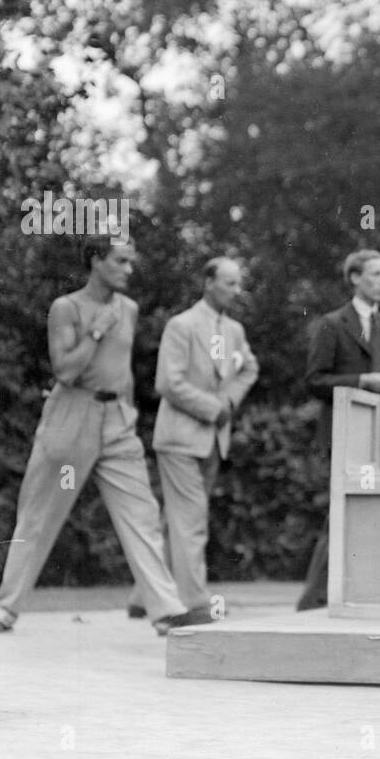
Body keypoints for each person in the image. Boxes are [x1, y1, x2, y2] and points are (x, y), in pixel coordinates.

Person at [0, 238, 207, 635]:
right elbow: (65, 371)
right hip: (72, 416)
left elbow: (124, 370)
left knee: (143, 515)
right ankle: (4, 611)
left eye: (131, 262)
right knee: (38, 516)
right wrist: (96, 332)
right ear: (96, 261)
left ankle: (166, 611)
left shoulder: (130, 309)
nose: (129, 269)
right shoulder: (67, 308)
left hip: (118, 420)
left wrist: (129, 410)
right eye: (120, 261)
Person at [126, 257, 259, 619]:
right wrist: (212, 408)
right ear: (208, 283)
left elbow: (249, 367)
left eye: (237, 284)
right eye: (229, 283)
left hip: (214, 439)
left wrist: (229, 401)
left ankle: (142, 597)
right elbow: (168, 382)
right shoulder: (181, 325)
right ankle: (194, 604)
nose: (236, 291)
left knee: (178, 520)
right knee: (190, 520)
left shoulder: (234, 331)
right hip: (180, 439)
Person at [296, 249, 380, 610]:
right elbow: (314, 380)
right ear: (355, 278)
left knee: (369, 511)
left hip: (379, 433)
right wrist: (361, 380)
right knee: (339, 514)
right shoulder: (331, 324)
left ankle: (349, 595)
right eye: (375, 274)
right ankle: (313, 599)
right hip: (341, 433)